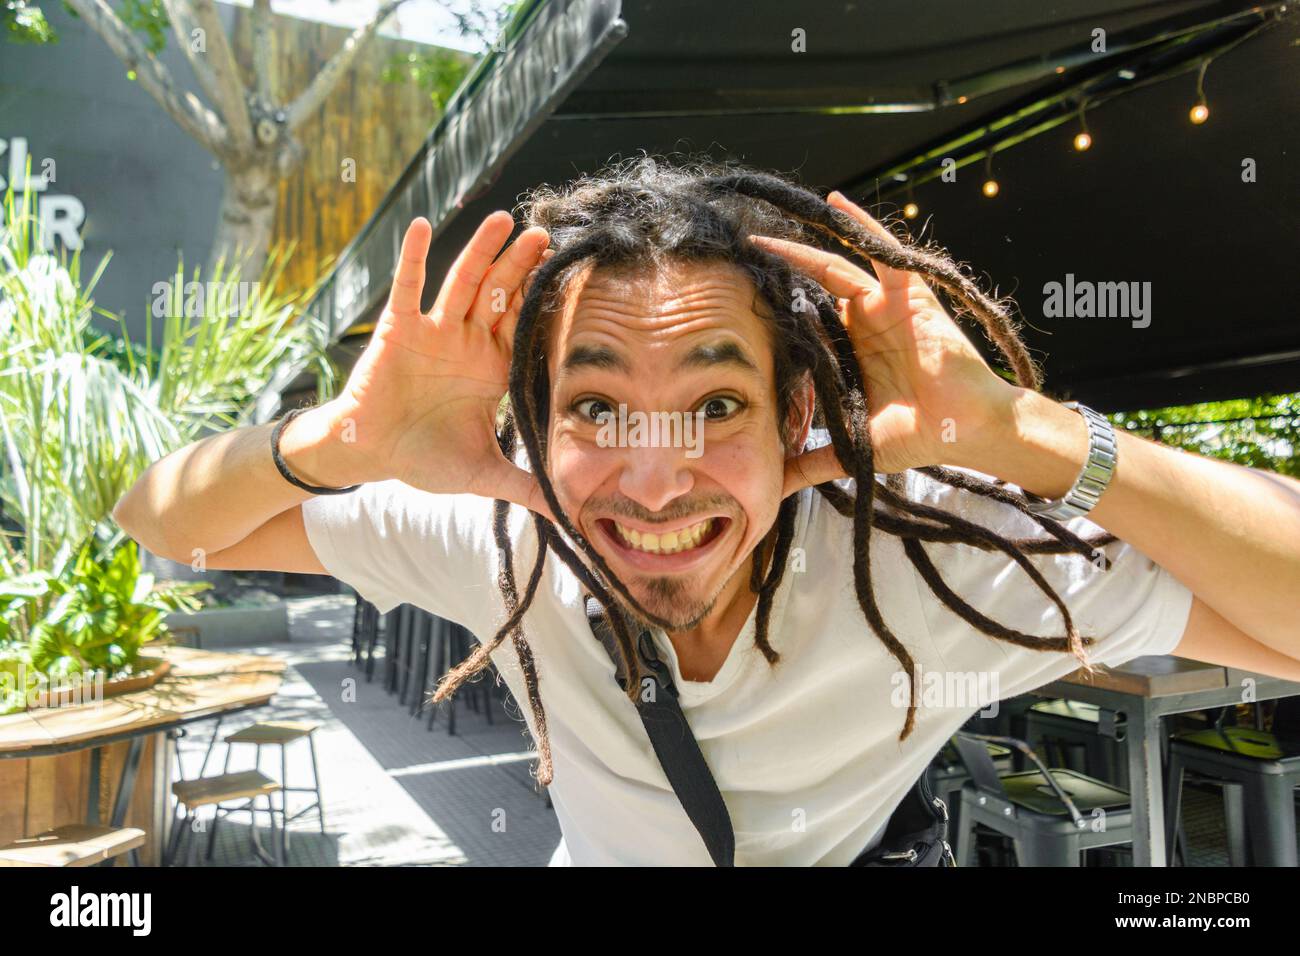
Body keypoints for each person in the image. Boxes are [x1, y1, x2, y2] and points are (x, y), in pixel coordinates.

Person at [114, 158, 1300, 865]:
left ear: (798, 414)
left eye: (715, 400)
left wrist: (1026, 436)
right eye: (595, 405)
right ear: (535, 417)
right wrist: (337, 442)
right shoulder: (506, 529)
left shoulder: (911, 549)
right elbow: (165, 521)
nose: (653, 478)